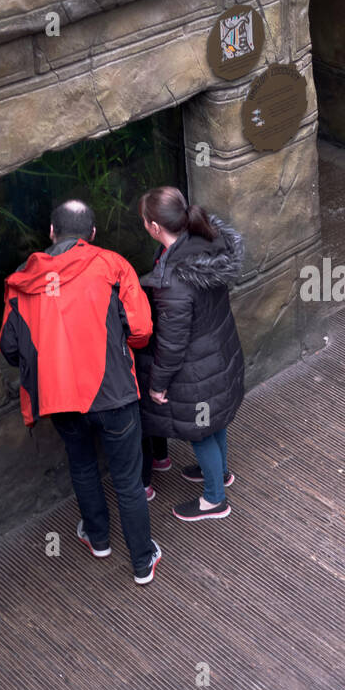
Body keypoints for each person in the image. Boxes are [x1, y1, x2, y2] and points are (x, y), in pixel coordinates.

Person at [0, 199, 162, 585]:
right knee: (127, 478)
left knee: (83, 467)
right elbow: (141, 330)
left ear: (51, 233)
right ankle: (142, 561)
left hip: (58, 398)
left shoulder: (21, 281)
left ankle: (98, 538)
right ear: (92, 235)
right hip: (114, 395)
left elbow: (8, 348)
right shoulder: (113, 266)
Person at [135, 187, 245, 522]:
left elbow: (171, 344)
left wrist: (157, 385)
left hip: (196, 371)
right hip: (218, 355)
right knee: (214, 422)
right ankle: (220, 472)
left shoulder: (174, 284)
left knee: (200, 432)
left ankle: (215, 500)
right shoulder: (207, 242)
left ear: (155, 227)